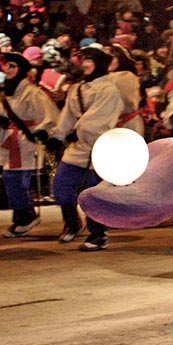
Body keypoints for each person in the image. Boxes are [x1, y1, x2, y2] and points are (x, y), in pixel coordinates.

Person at [49, 44, 123, 251]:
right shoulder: (77, 88)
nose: (85, 64)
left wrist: (77, 131)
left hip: (98, 148)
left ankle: (98, 234)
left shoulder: (108, 90)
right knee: (62, 187)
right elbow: (67, 116)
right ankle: (73, 223)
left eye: (90, 60)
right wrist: (58, 136)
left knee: (92, 194)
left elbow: (99, 119)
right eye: (84, 60)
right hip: (77, 148)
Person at [0, 52, 59, 238]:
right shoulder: (1, 93)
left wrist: (43, 131)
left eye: (13, 66)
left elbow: (50, 116)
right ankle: (21, 217)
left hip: (25, 141)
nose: (9, 69)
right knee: (14, 180)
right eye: (7, 66)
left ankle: (26, 215)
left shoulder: (33, 93)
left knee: (14, 179)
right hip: (9, 140)